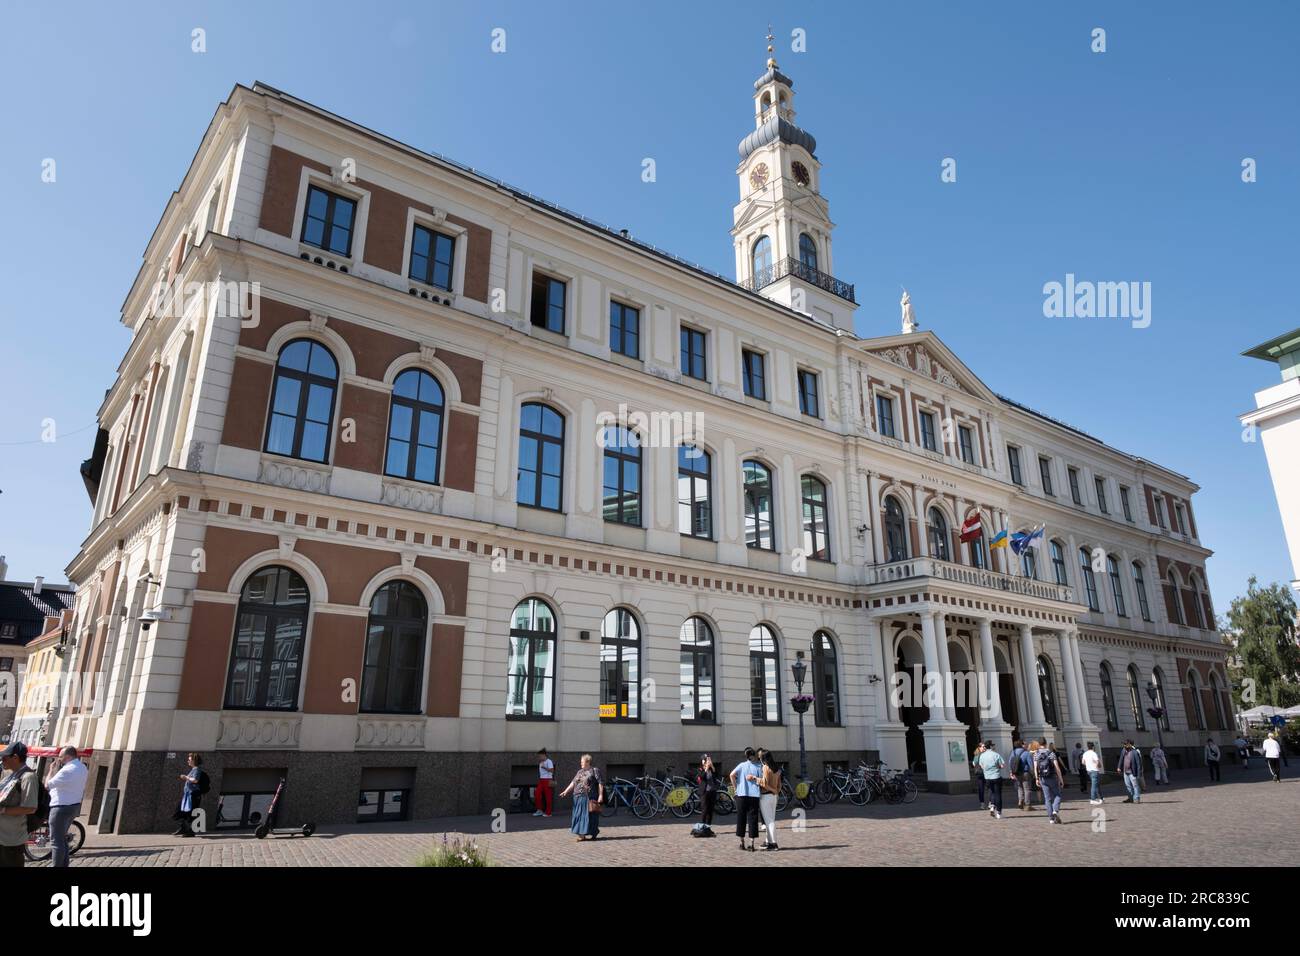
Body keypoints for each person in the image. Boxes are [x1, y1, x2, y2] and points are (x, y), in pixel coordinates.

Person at [45, 745, 88, 868]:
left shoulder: (67, 770)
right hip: (73, 805)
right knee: (62, 839)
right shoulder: (82, 767)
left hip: (60, 807)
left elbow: (47, 785)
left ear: (68, 756)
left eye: (61, 756)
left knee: (56, 841)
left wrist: (51, 770)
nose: (59, 759)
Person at [0, 741, 39, 868]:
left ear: (15, 757)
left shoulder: (28, 777)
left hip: (10, 840)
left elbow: (30, 808)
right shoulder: (9, 774)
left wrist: (3, 810)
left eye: (4, 757)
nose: (2, 760)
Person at [558, 754, 603, 841]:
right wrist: (566, 791)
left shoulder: (595, 770)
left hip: (588, 797)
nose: (581, 763)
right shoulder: (579, 772)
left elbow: (600, 783)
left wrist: (600, 795)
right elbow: (573, 783)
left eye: (582, 762)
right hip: (578, 796)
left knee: (590, 816)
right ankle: (581, 835)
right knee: (578, 816)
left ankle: (593, 832)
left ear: (588, 762)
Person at [730, 747, 763, 851]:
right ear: (754, 755)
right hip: (754, 795)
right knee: (753, 819)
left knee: (741, 818)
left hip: (741, 795)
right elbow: (761, 780)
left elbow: (731, 775)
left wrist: (736, 788)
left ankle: (742, 843)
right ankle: (752, 844)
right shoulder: (759, 766)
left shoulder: (741, 765)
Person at [173, 753, 207, 837]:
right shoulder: (193, 769)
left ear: (194, 760)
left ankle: (190, 831)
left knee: (189, 812)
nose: (188, 760)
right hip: (188, 795)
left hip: (193, 795)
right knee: (181, 810)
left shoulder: (196, 770)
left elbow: (195, 780)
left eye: (189, 759)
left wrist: (186, 777)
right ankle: (183, 828)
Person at [1034, 738, 1065, 824]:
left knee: (1047, 799)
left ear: (1039, 744)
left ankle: (1051, 818)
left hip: (1042, 778)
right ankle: (1055, 810)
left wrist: (1037, 778)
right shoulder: (1051, 753)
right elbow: (1057, 767)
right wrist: (1061, 779)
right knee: (1058, 795)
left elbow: (1035, 768)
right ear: (1046, 743)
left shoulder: (1036, 754)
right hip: (1053, 777)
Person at [975, 739, 1005, 819]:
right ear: (991, 746)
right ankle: (999, 813)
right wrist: (997, 767)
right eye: (993, 745)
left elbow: (981, 766)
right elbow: (1002, 765)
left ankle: (992, 806)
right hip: (996, 776)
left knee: (991, 792)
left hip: (987, 777)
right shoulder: (996, 754)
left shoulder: (982, 756)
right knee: (998, 794)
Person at [757, 751, 782, 850]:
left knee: (769, 821)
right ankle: (768, 841)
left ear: (763, 759)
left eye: (760, 758)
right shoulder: (777, 769)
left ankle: (774, 843)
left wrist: (755, 778)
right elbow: (780, 784)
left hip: (766, 796)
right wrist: (776, 791)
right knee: (770, 820)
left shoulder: (765, 767)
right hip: (774, 797)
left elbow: (764, 783)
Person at [695, 755, 720, 829]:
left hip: (712, 791)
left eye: (708, 760)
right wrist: (706, 768)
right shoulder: (700, 769)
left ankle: (708, 826)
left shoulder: (711, 769)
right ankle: (702, 826)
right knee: (705, 809)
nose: (707, 761)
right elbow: (702, 777)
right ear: (702, 761)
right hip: (704, 792)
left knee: (710, 810)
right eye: (705, 760)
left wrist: (712, 766)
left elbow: (717, 775)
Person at [1008, 739, 1034, 811]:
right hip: (1025, 773)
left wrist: (1011, 772)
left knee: (1019, 788)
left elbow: (1010, 762)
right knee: (1027, 789)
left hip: (1016, 773)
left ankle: (1020, 801)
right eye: (1024, 744)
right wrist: (1033, 773)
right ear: (1021, 745)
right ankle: (1027, 804)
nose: (1025, 745)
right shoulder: (1026, 753)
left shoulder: (1013, 752)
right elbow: (1031, 765)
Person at [534, 748, 555, 817]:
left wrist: (544, 767)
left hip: (548, 780)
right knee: (537, 793)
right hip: (541, 780)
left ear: (544, 755)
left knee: (548, 796)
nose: (539, 757)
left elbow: (552, 771)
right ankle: (539, 810)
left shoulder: (549, 761)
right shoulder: (541, 762)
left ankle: (548, 813)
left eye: (540, 756)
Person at [971, 741, 987, 809]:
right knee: (981, 789)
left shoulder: (985, 754)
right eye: (983, 747)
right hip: (981, 774)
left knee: (987, 788)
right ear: (979, 747)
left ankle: (989, 803)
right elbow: (974, 763)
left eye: (985, 746)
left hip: (985, 773)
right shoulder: (977, 755)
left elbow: (974, 764)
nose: (984, 748)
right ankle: (982, 803)